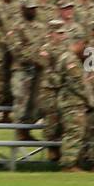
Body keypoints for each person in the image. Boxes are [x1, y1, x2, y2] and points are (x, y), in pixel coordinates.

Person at [7, 0, 47, 136]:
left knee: (37, 102)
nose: (32, 11)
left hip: (39, 70)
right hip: (21, 69)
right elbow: (16, 49)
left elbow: (45, 47)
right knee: (21, 99)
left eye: (34, 8)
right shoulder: (16, 27)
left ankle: (26, 129)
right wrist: (34, 58)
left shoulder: (41, 27)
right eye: (29, 8)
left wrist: (41, 60)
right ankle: (20, 130)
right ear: (22, 9)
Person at [57, 35, 94, 172]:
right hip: (72, 102)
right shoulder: (71, 59)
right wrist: (89, 100)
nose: (85, 50)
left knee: (74, 133)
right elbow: (77, 83)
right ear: (79, 43)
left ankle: (70, 163)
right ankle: (68, 165)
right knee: (74, 133)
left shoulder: (66, 57)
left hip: (71, 101)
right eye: (84, 46)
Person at [39, 21, 69, 161]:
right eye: (59, 33)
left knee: (64, 118)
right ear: (51, 34)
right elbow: (48, 69)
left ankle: (61, 149)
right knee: (52, 118)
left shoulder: (66, 49)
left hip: (63, 87)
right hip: (49, 88)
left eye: (63, 33)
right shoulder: (46, 50)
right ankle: (51, 149)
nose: (62, 36)